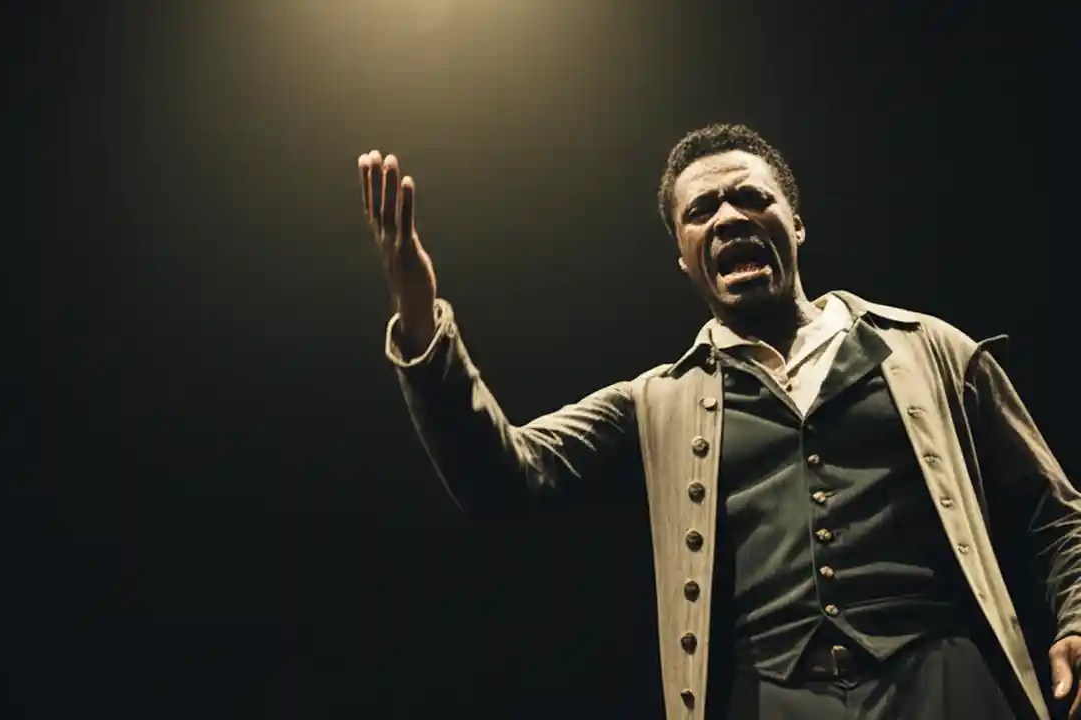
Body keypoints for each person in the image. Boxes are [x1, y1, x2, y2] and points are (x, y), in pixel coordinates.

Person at [355, 123, 1081, 719]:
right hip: (769, 701)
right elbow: (502, 479)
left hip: (946, 686)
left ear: (795, 223)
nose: (728, 216)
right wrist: (422, 326)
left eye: (749, 198)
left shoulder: (929, 351)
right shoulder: (656, 402)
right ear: (683, 256)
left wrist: (1078, 619)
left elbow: (1054, 512)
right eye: (701, 211)